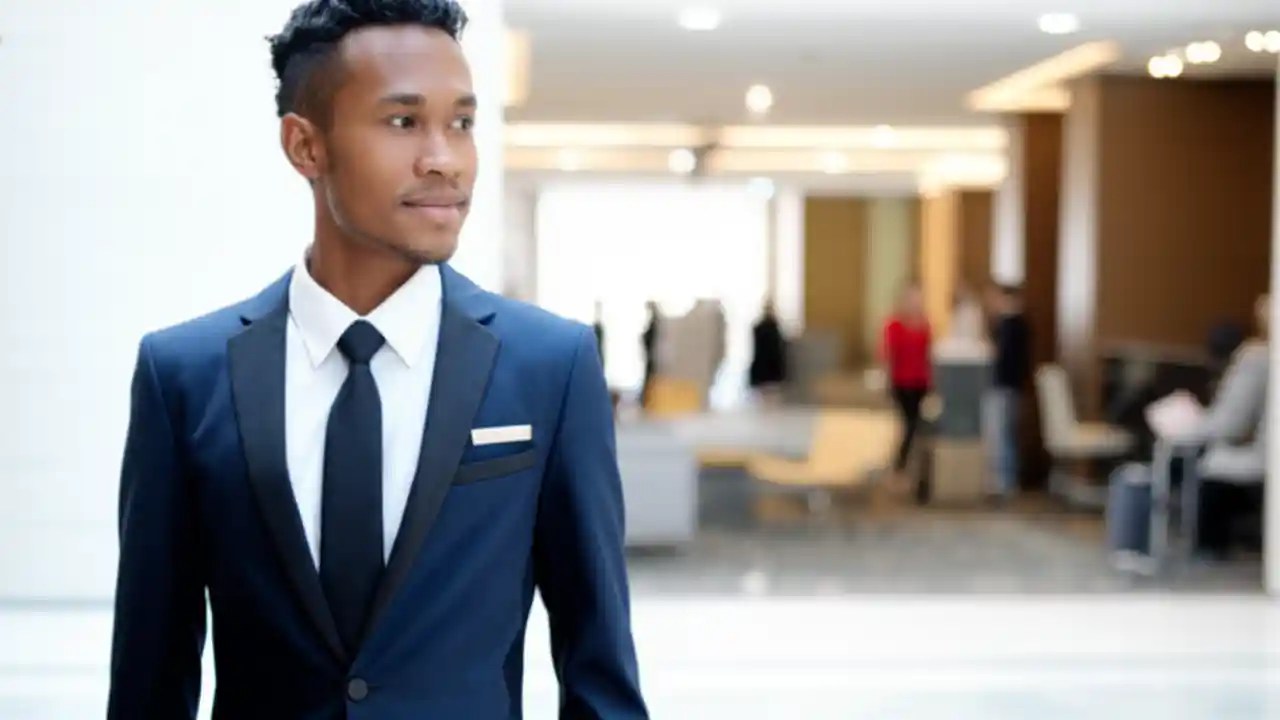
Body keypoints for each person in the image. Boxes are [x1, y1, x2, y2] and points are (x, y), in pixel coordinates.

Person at [106, 2, 647, 718]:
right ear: (305, 146)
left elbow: (600, 670)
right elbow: (151, 672)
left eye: (461, 123)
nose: (444, 158)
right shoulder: (183, 374)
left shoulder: (551, 366)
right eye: (403, 122)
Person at [984, 283, 1030, 501]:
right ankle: (1004, 481)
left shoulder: (1011, 326)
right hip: (1011, 388)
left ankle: (1005, 482)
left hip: (1005, 388)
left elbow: (1004, 359)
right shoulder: (1013, 325)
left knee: (1003, 436)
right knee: (1005, 435)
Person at [881, 282, 932, 479]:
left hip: (921, 382)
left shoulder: (925, 324)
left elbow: (927, 355)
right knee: (910, 423)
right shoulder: (894, 325)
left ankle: (906, 465)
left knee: (915, 424)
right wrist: (887, 380)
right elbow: (889, 355)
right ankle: (900, 464)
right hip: (901, 381)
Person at [749, 298, 788, 404]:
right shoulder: (763, 328)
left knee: (771, 400)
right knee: (765, 401)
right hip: (766, 371)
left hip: (771, 371)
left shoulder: (774, 328)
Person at [640, 300, 661, 408]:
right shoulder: (653, 323)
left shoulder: (654, 324)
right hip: (650, 356)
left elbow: (652, 341)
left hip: (652, 356)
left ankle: (648, 402)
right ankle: (646, 402)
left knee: (650, 379)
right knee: (649, 379)